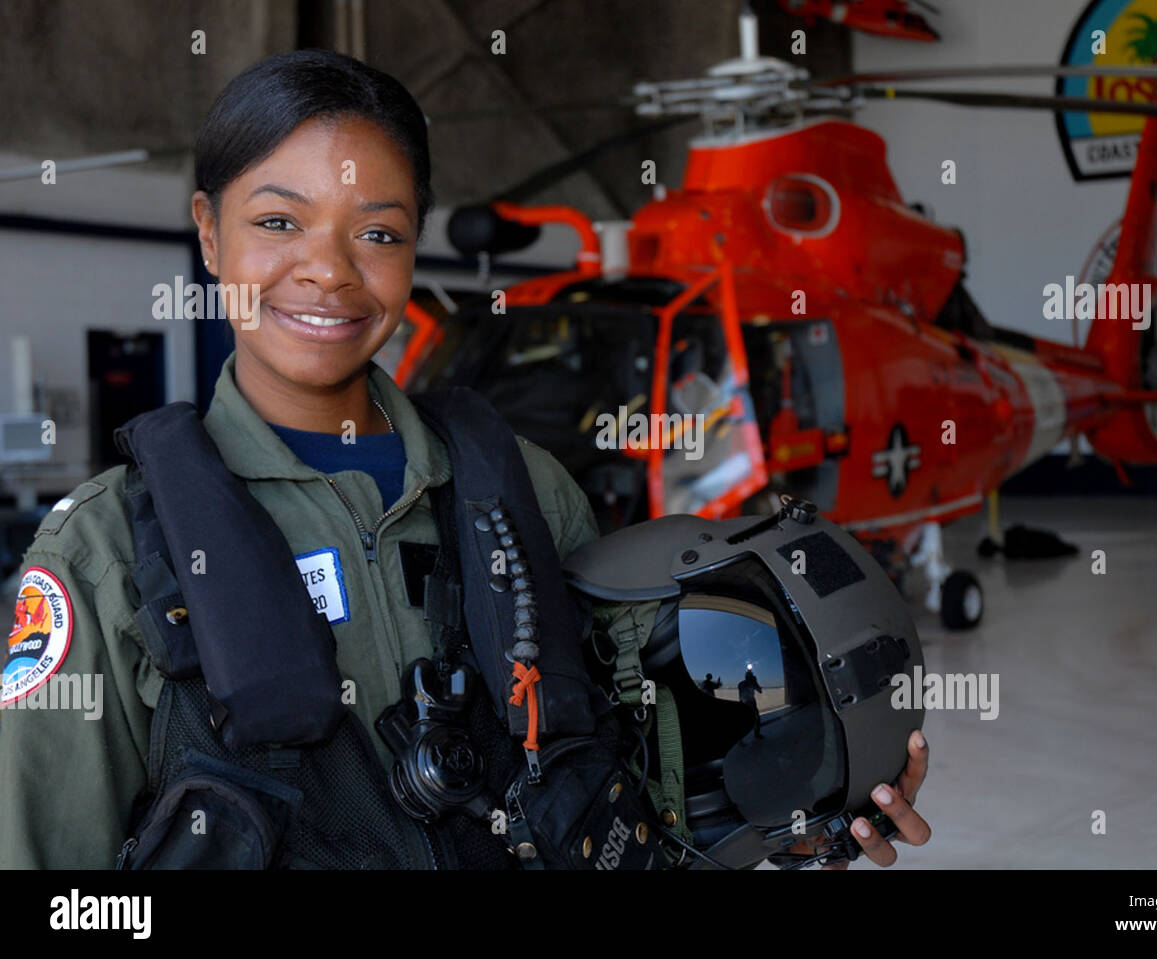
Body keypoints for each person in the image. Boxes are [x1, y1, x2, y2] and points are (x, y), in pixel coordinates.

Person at [0, 49, 929, 870]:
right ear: (209, 232)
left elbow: (632, 797)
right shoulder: (110, 551)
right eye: (278, 223)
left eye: (378, 232)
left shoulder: (523, 490)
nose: (329, 270)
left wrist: (802, 803)